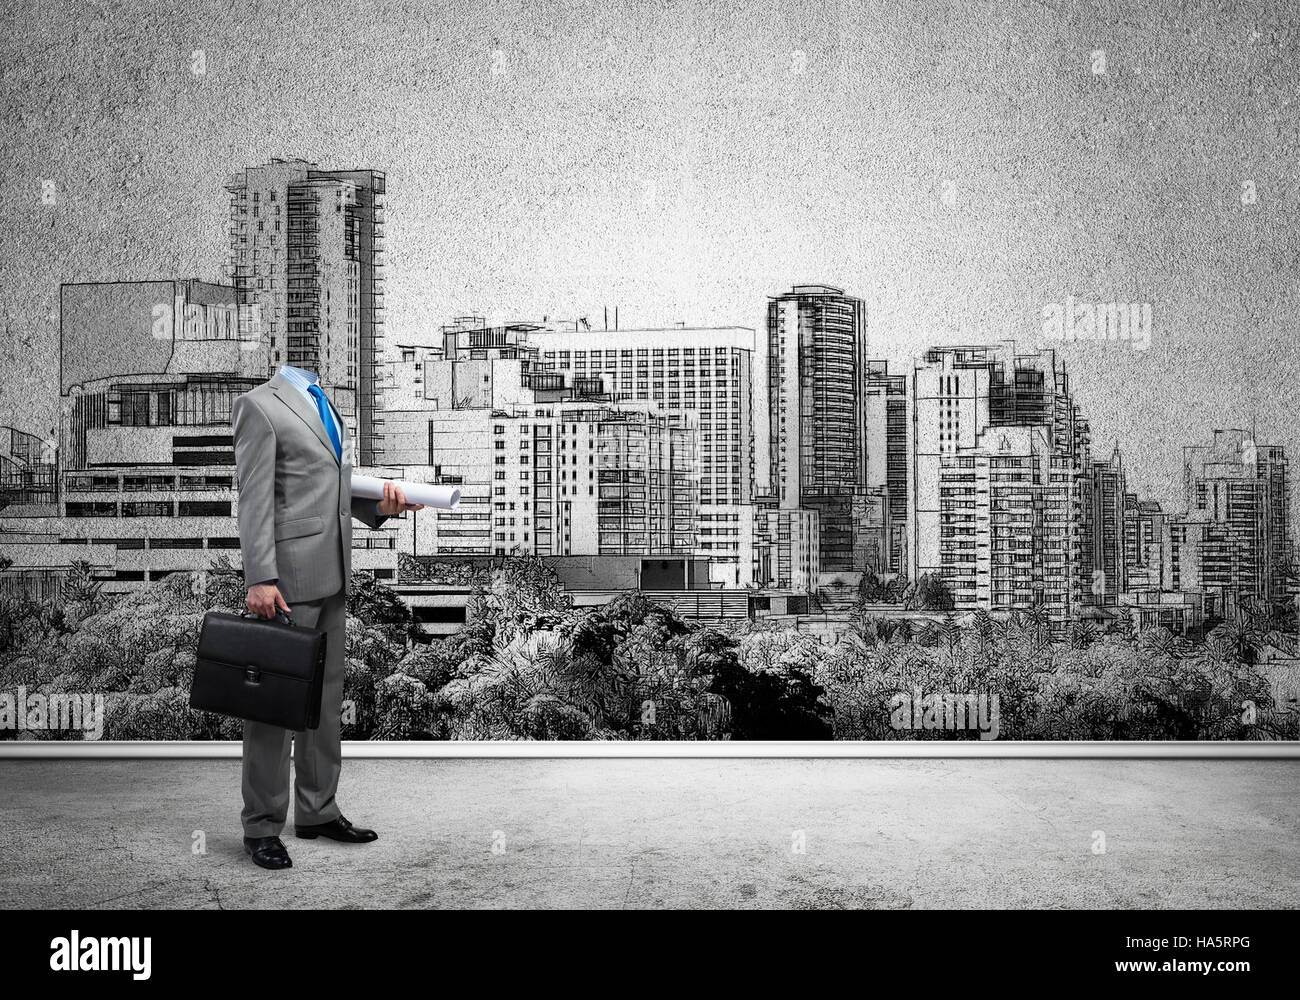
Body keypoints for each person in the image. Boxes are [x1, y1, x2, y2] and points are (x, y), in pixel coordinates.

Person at [230, 364, 423, 870]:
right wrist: (259, 577)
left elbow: (328, 488)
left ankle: (317, 811)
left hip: (334, 573)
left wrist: (380, 508)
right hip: (285, 580)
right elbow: (253, 498)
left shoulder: (325, 402)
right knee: (273, 710)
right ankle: (262, 827)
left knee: (325, 704)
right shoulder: (260, 405)